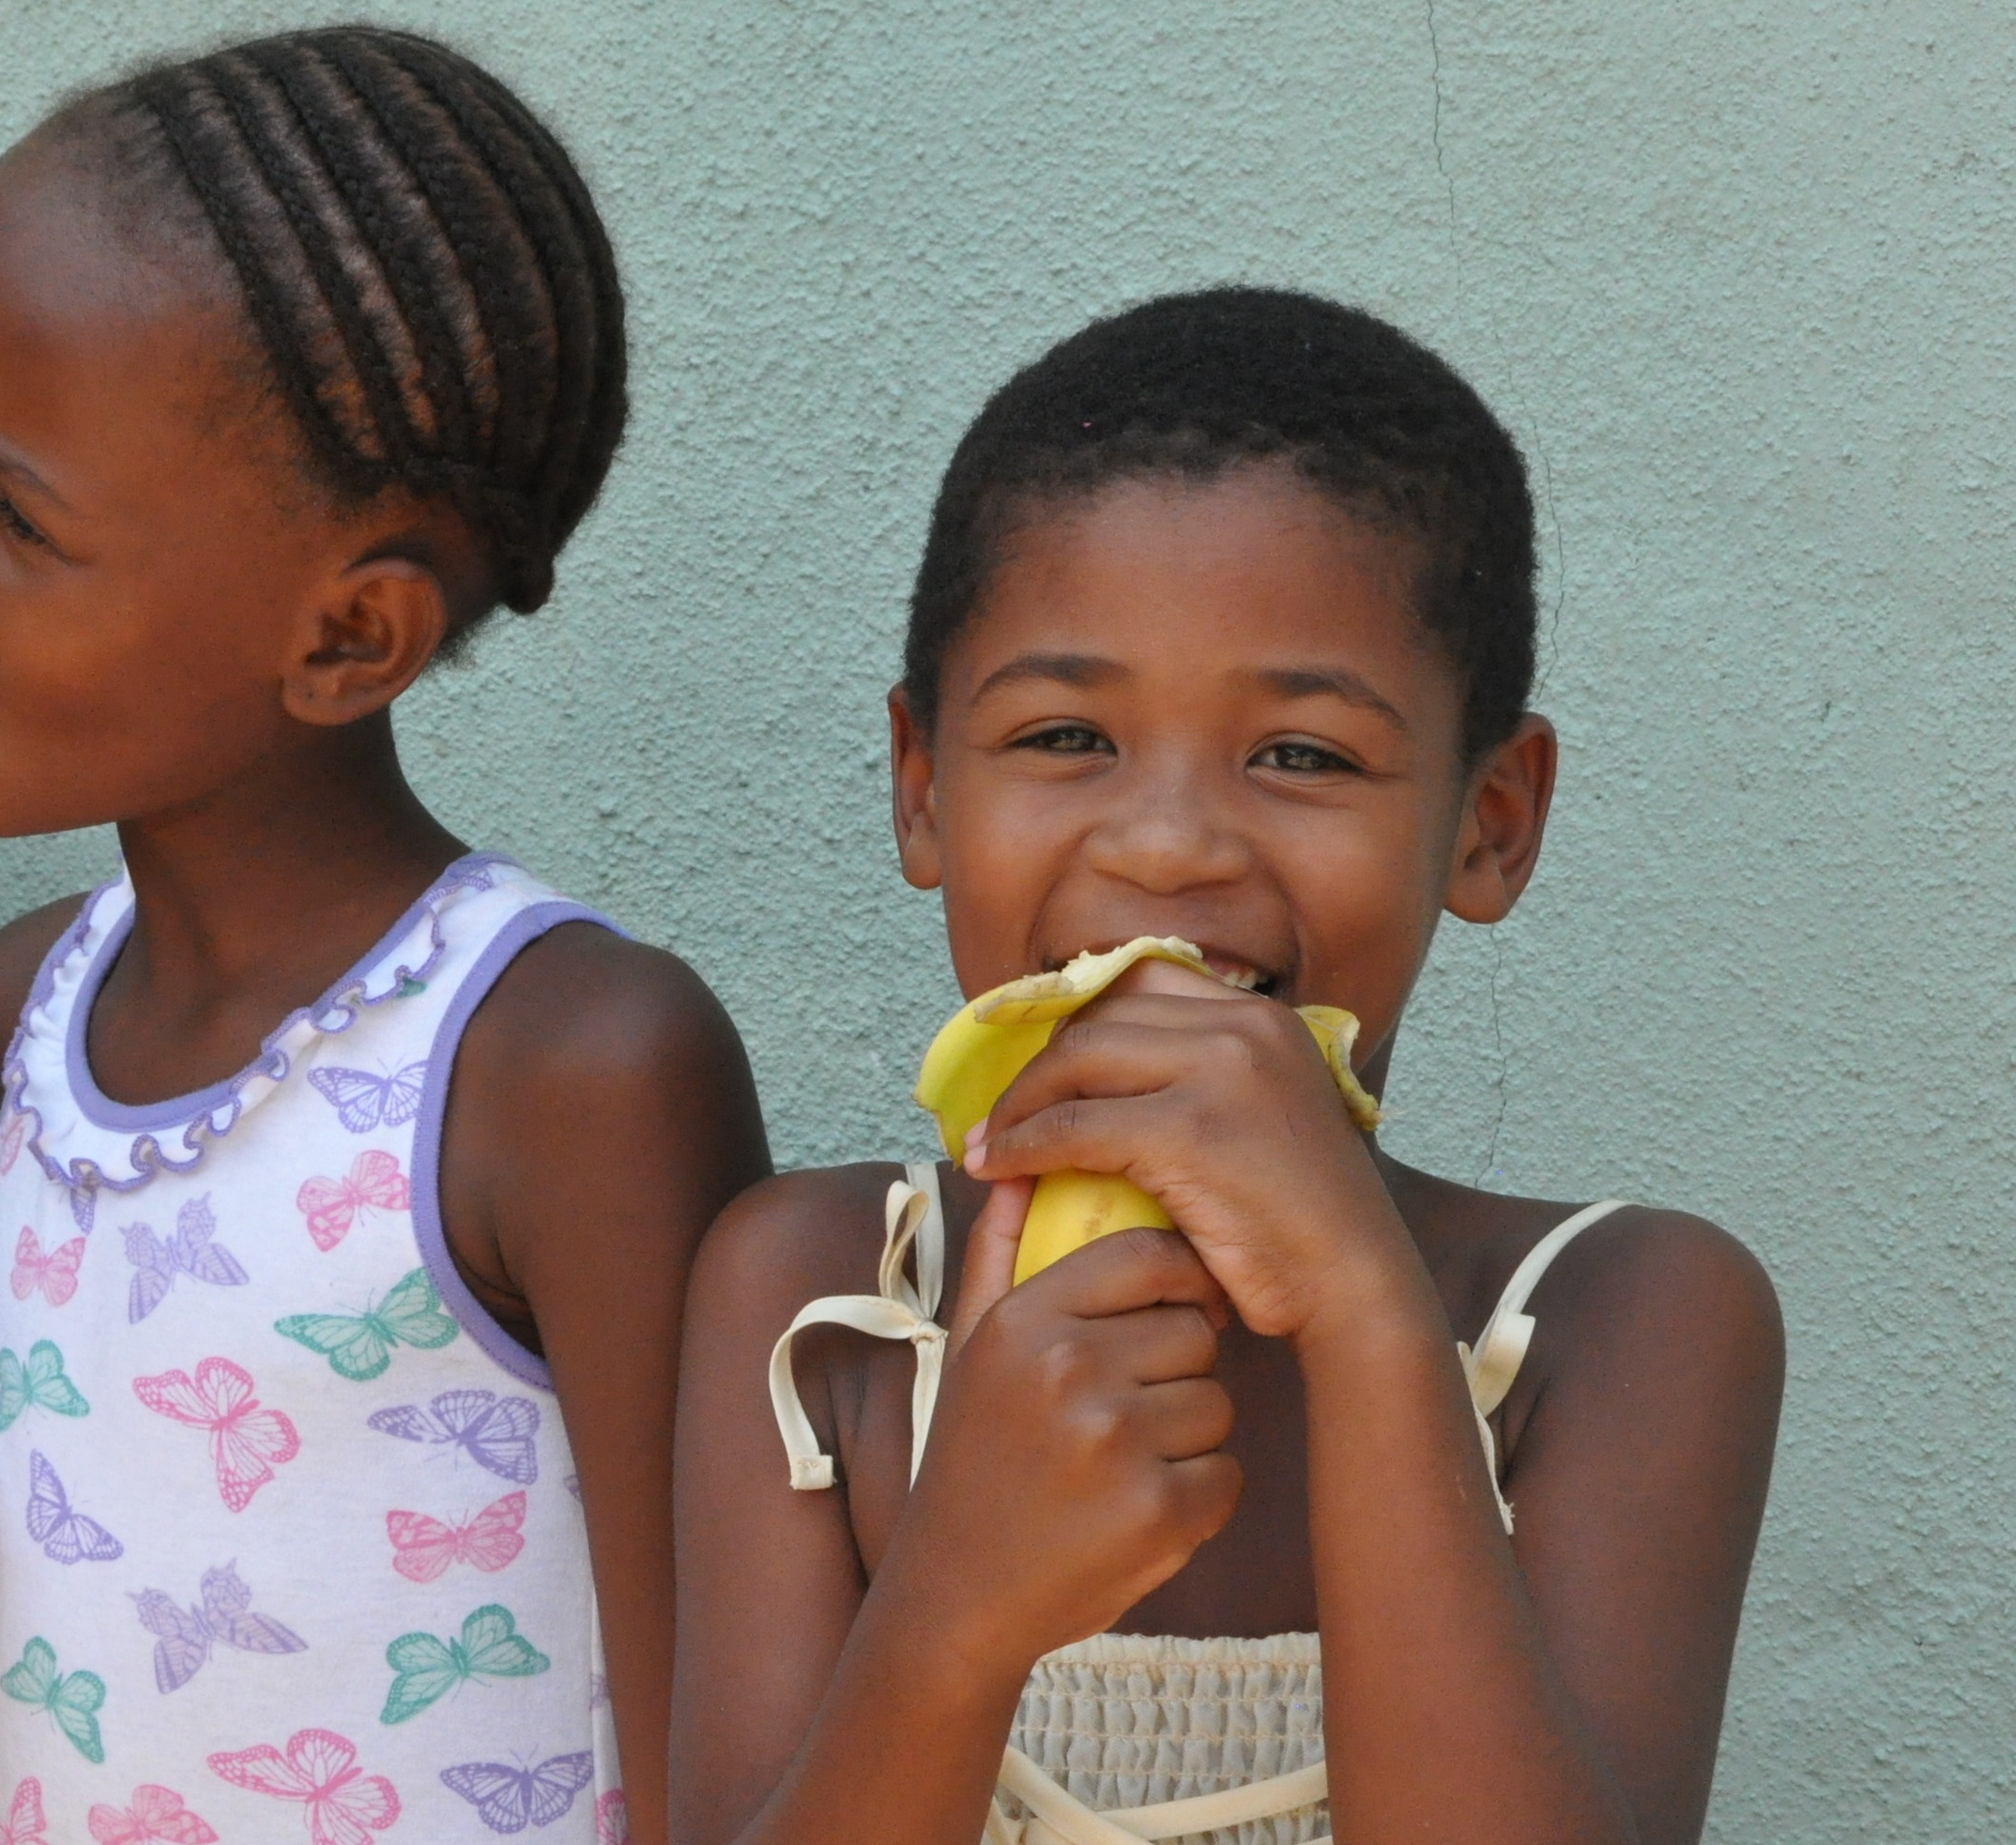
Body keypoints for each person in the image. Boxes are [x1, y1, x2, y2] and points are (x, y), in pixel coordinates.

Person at [0, 28, 766, 1845]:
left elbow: (718, 1767)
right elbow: (110, 1691)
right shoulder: (24, 1016)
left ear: (348, 637)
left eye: (18, 516)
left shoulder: (569, 1069)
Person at [665, 289, 1785, 1845]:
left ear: (1490, 820)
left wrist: (1363, 1314)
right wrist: (958, 1607)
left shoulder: (1624, 1316)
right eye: (1065, 736)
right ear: (923, 786)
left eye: (1304, 755)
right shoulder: (816, 1303)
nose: (1170, 844)